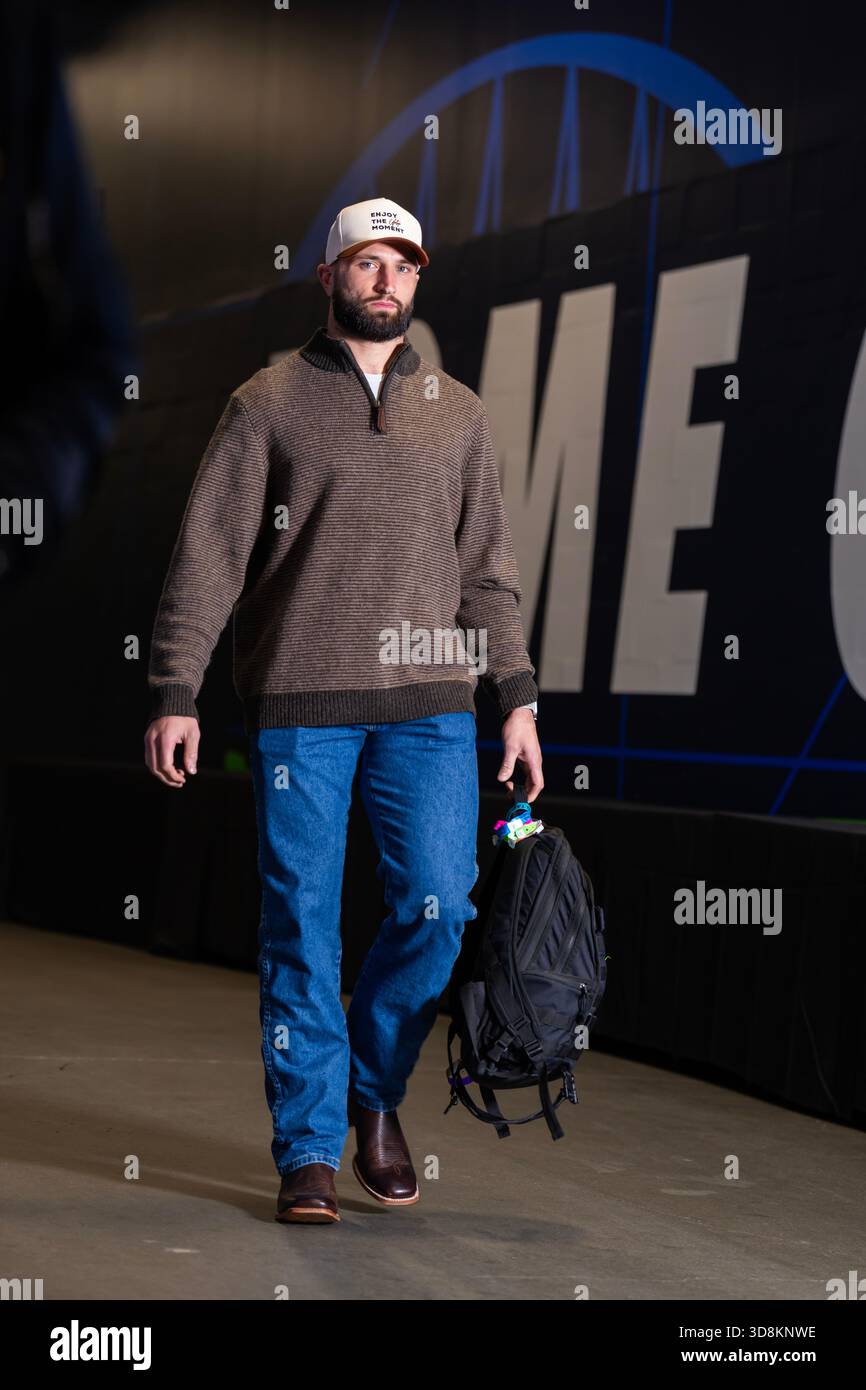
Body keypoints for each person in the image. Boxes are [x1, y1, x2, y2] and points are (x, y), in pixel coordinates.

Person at [143, 197, 543, 1225]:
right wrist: (175, 689)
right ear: (327, 277)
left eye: (400, 265)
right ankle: (310, 1148)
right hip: (300, 709)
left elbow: (486, 574)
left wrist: (517, 700)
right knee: (299, 931)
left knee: (436, 906)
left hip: (428, 707)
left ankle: (372, 1091)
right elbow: (209, 555)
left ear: (415, 280)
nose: (383, 281)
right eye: (364, 263)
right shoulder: (265, 402)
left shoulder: (457, 412)